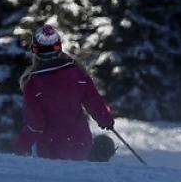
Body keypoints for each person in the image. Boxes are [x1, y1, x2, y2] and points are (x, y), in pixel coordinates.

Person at [13, 25, 114, 161]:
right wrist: (105, 119)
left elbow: (36, 125)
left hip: (50, 152)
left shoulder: (33, 84)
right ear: (58, 47)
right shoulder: (77, 73)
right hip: (81, 145)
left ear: (35, 50)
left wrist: (19, 146)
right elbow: (94, 102)